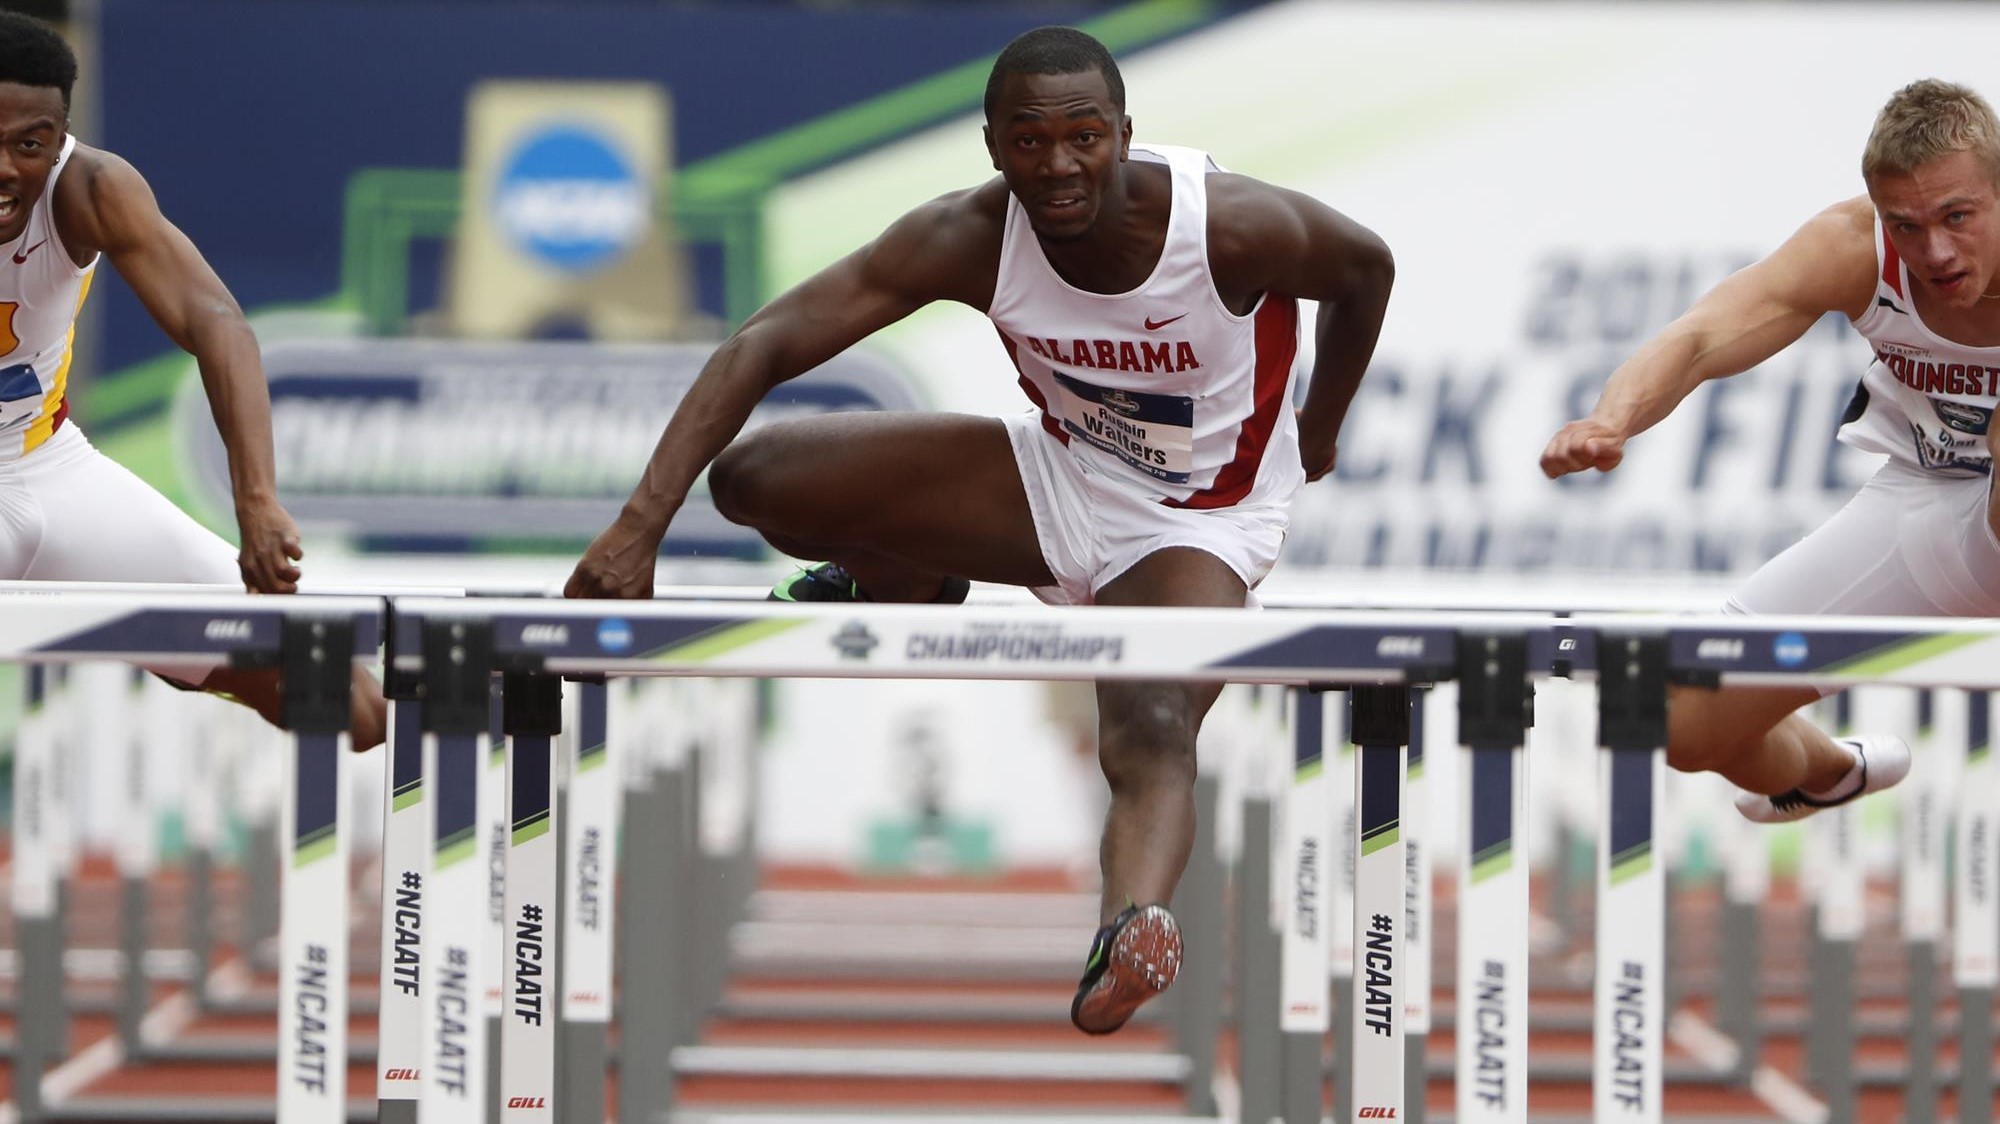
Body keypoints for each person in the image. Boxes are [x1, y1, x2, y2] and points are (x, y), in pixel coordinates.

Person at [567, 25, 1393, 1033]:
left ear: (1124, 134)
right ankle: (906, 572)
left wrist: (1318, 427)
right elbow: (766, 339)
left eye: (1084, 137)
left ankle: (1127, 929)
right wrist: (635, 525)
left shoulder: (1227, 226)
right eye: (1028, 142)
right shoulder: (967, 234)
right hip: (1058, 476)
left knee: (1151, 720)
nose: (1058, 167)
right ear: (993, 145)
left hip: (1199, 518)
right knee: (754, 480)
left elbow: (1365, 270)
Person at [1537, 78, 2000, 822]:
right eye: (1906, 226)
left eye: (1957, 217)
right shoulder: (1853, 248)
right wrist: (1611, 420)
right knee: (1679, 723)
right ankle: (1829, 771)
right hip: (1926, 504)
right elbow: (1699, 338)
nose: (1934, 252)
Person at [0, 12, 384, 748]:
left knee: (337, 690)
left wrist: (259, 503)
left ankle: (200, 665)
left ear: (61, 137)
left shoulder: (92, 189)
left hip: (50, 469)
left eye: (31, 144)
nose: (7, 169)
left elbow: (218, 324)